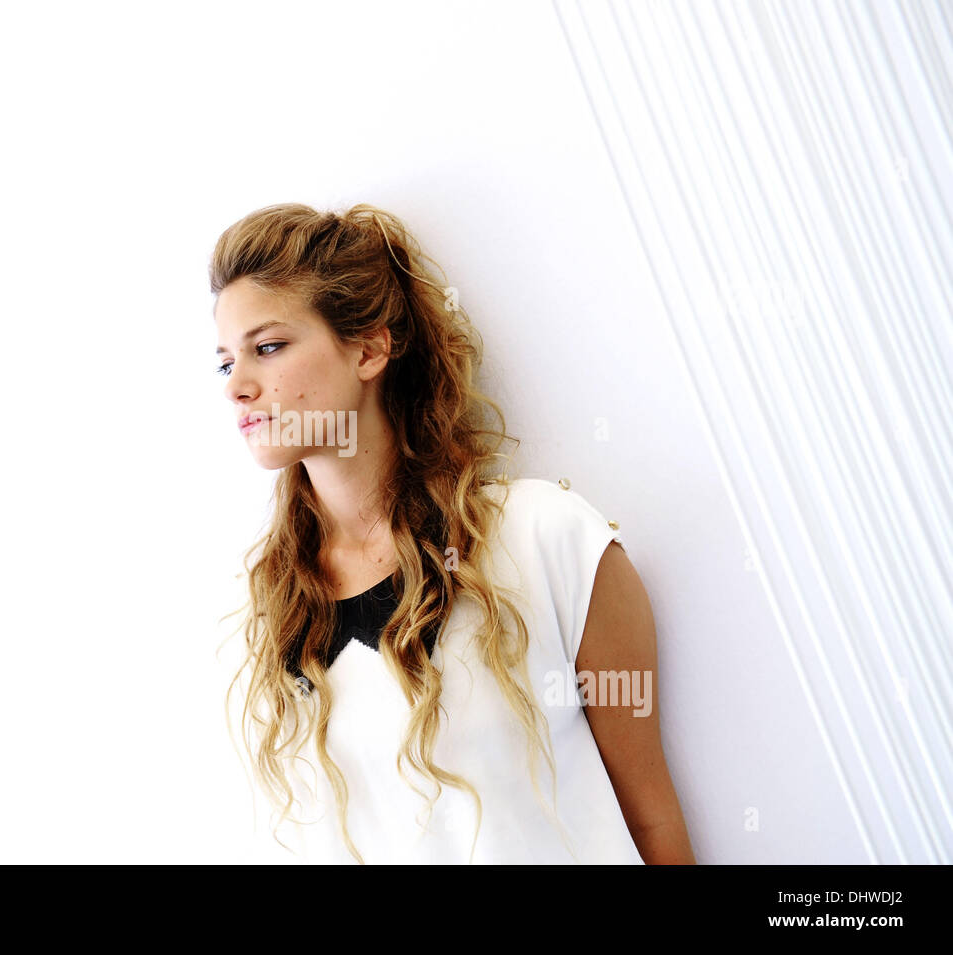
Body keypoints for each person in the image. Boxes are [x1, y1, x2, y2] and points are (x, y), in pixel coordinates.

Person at [210, 202, 695, 865]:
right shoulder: (265, 619)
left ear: (370, 347)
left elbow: (653, 823)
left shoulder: (545, 540)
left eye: (267, 347)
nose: (238, 385)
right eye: (225, 362)